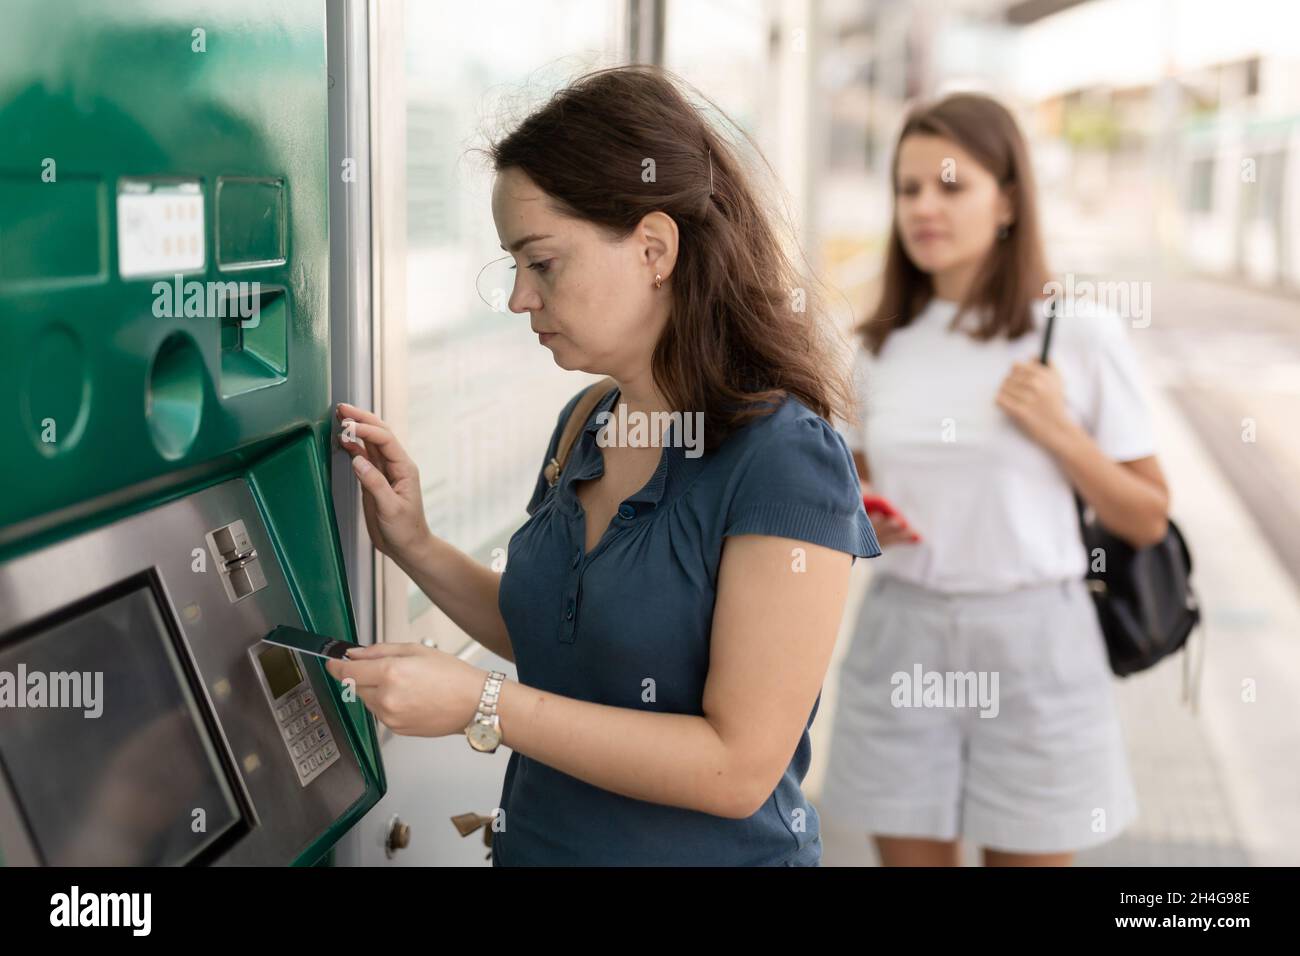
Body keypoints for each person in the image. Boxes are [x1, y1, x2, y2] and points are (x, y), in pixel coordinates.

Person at [327, 65, 881, 865]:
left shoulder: (786, 463)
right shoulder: (588, 422)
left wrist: (482, 704)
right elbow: (558, 637)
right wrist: (412, 543)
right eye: (512, 267)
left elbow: (736, 768)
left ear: (655, 248)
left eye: (542, 262)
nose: (521, 298)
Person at [820, 92, 1171, 866]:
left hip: (1035, 641)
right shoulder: (877, 345)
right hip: (903, 633)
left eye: (951, 185)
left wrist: (1061, 435)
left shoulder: (1075, 333)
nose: (923, 207)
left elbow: (1146, 518)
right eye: (908, 189)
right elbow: (850, 494)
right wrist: (861, 526)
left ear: (1008, 198)